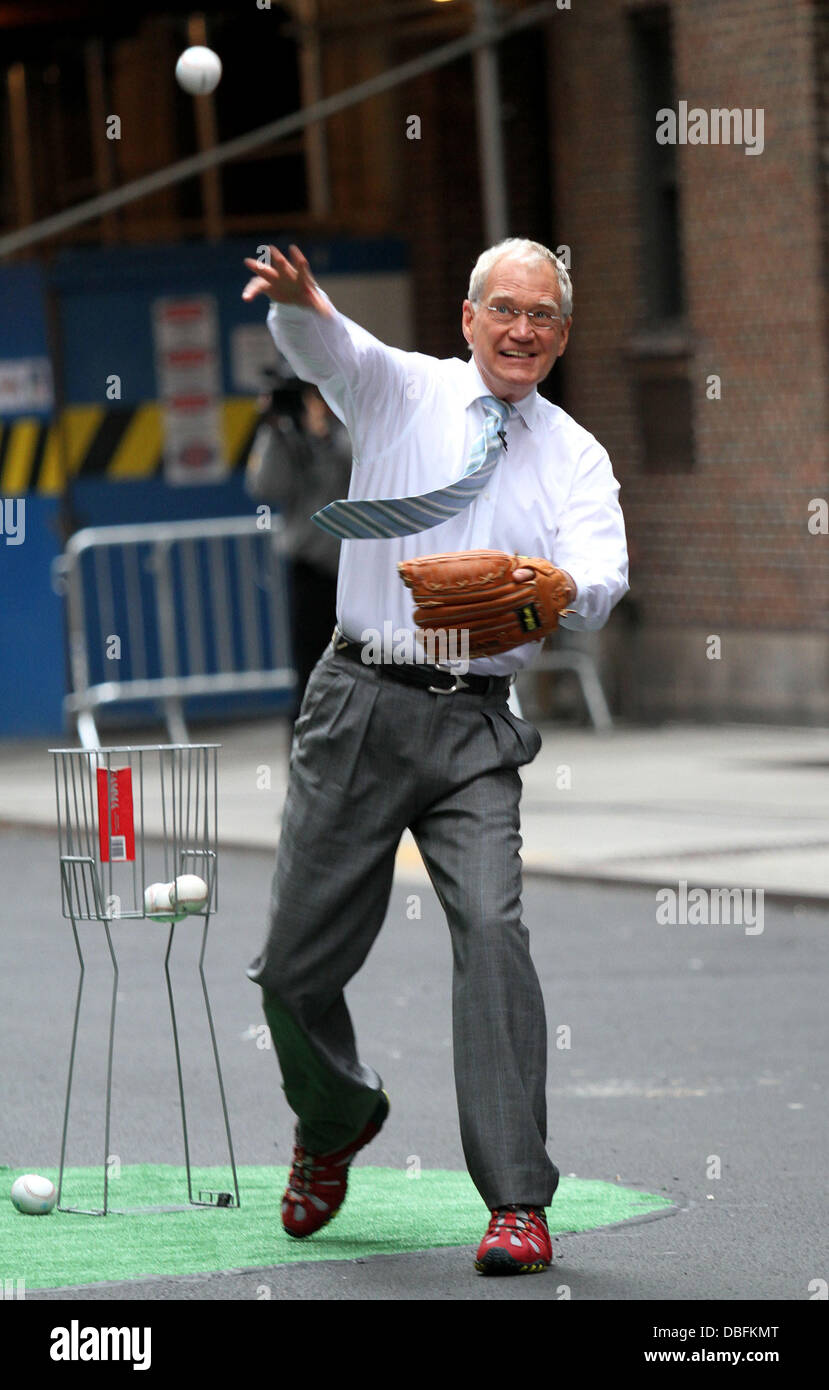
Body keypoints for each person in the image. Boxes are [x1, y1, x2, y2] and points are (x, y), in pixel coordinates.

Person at [241, 237, 629, 1275]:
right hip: (360, 701)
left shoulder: (574, 455)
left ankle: (515, 1201)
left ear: (559, 335)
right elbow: (333, 353)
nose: (520, 330)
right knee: (289, 968)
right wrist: (301, 304)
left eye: (541, 316)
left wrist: (537, 587)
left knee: (494, 930)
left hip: (474, 722)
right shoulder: (401, 393)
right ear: (467, 320)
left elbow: (600, 576)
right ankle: (334, 1117)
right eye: (502, 309)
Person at [245, 370, 353, 711]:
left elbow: (354, 468)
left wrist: (321, 436)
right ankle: (305, 752)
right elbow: (264, 487)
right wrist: (273, 431)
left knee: (357, 666)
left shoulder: (345, 431)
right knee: (309, 670)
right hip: (309, 572)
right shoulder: (284, 439)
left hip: (352, 570)